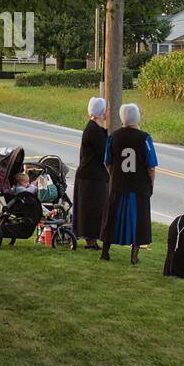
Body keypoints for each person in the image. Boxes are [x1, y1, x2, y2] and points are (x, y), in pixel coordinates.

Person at [100, 103, 157, 265]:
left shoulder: (113, 136)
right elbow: (151, 166)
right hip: (139, 186)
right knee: (139, 219)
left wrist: (114, 175)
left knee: (111, 217)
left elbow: (107, 161)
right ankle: (134, 255)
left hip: (118, 184)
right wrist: (151, 184)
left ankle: (105, 251)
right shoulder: (145, 138)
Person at [73, 97, 111, 251]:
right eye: (106, 109)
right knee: (91, 211)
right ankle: (90, 241)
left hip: (94, 177)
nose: (108, 112)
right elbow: (105, 153)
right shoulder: (93, 130)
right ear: (101, 112)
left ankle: (93, 240)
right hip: (91, 178)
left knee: (96, 210)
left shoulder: (95, 129)